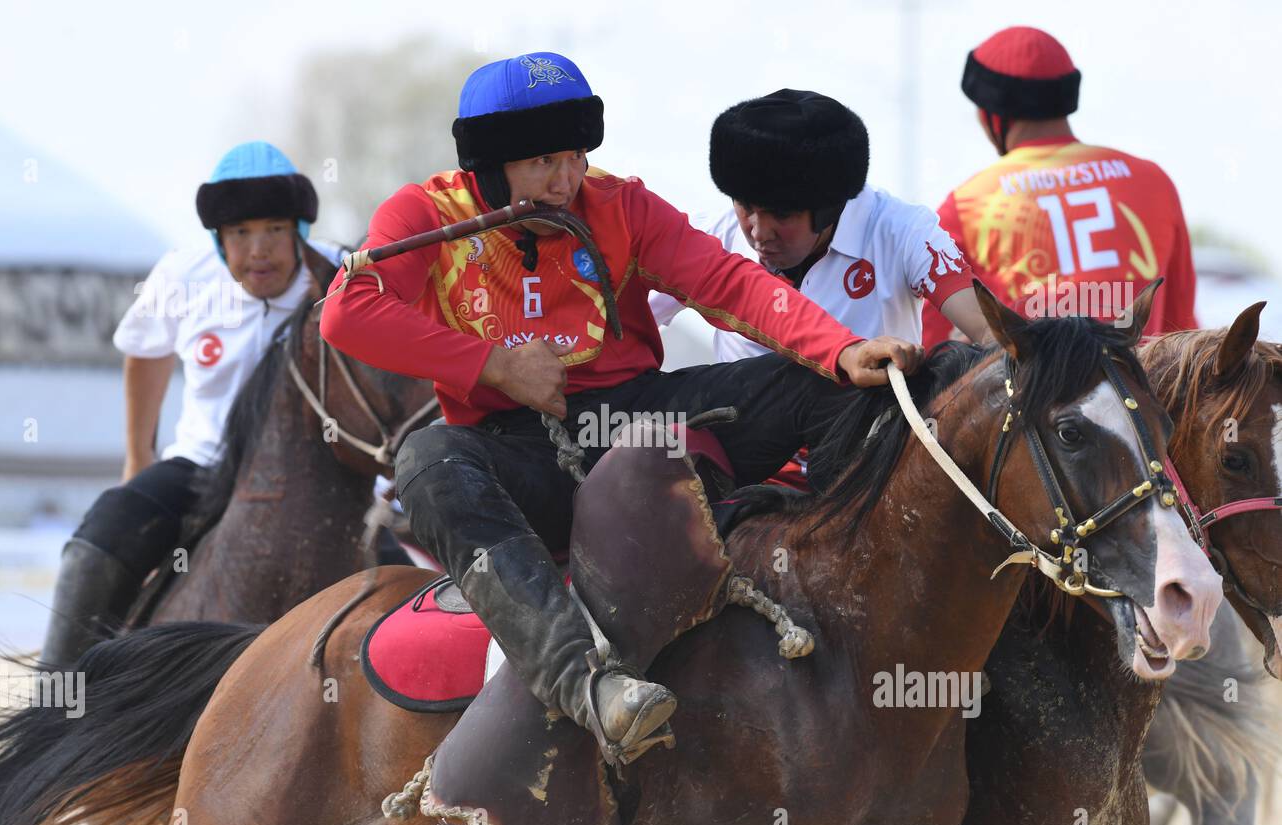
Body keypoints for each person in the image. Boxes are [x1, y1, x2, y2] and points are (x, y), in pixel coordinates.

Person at [320, 52, 921, 764]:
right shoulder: (423, 213)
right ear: (487, 169)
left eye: (575, 156)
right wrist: (493, 365)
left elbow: (730, 282)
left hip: (645, 424)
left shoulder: (620, 204)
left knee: (833, 385)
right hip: (519, 453)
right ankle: (583, 682)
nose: (566, 180)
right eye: (543, 161)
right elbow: (346, 314)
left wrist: (839, 348)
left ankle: (864, 613)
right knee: (425, 459)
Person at [41, 142, 339, 668]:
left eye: (273, 228)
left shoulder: (341, 277)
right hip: (201, 467)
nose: (259, 250)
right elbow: (144, 349)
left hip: (318, 477)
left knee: (400, 585)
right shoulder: (183, 274)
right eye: (240, 234)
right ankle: (51, 708)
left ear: (300, 231)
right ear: (218, 241)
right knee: (97, 541)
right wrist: (138, 458)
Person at [651, 88, 986, 486]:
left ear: (831, 208)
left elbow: (987, 331)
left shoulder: (905, 230)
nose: (758, 232)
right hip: (746, 475)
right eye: (745, 206)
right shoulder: (709, 236)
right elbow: (614, 327)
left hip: (871, 470)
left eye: (782, 214)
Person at [922, 25, 1197, 348]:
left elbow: (931, 344)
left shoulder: (968, 204)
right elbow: (1181, 325)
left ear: (990, 116)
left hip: (1036, 396)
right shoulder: (1153, 182)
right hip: (1142, 390)